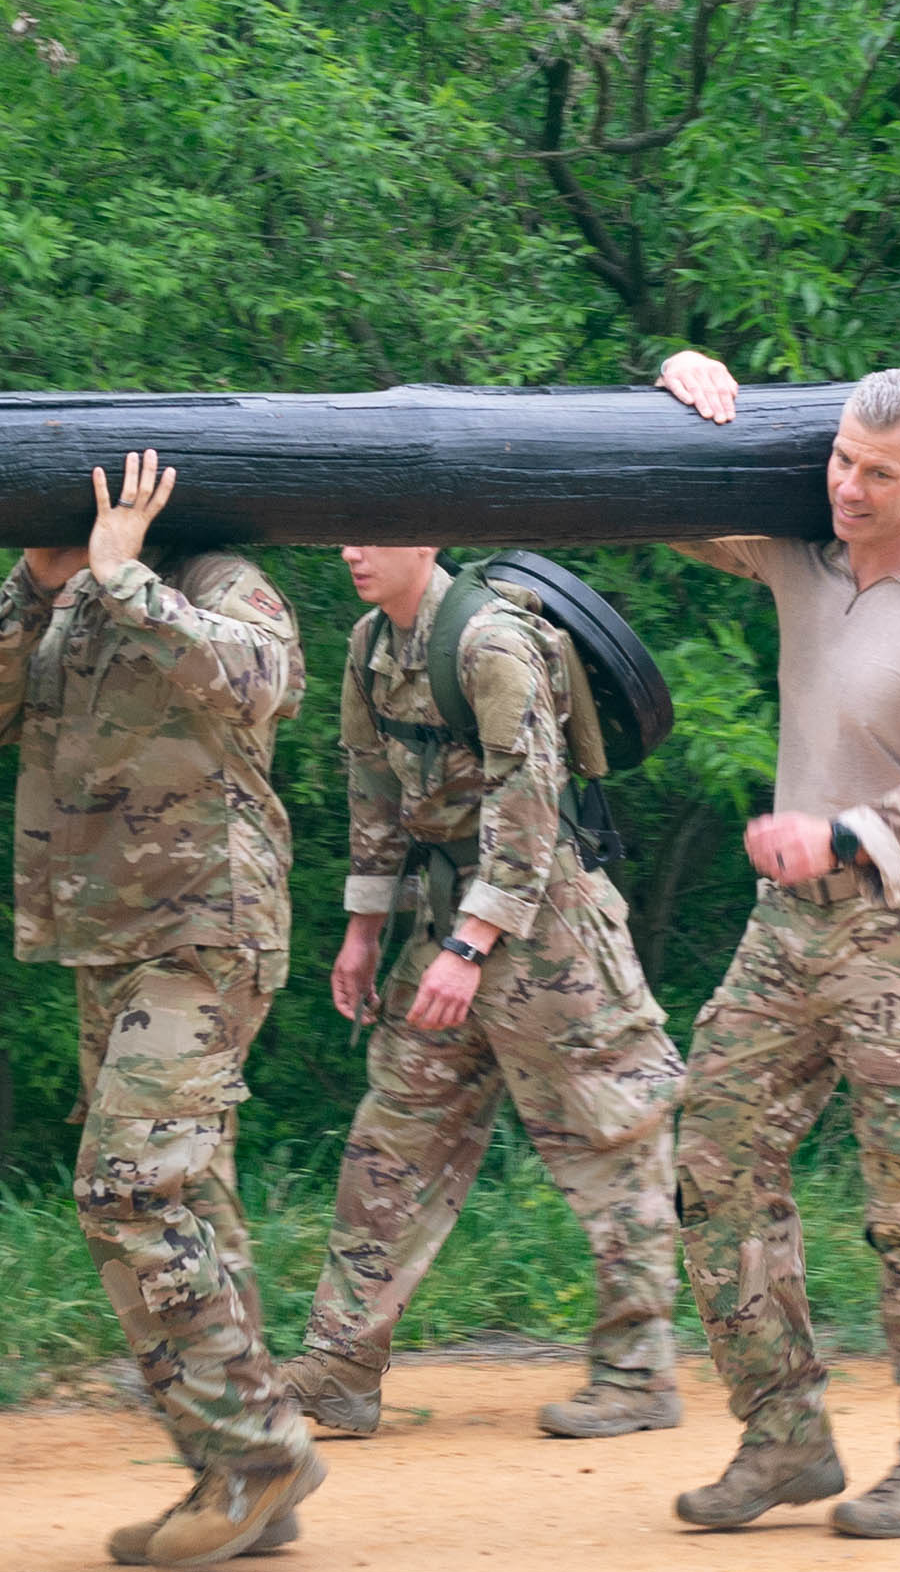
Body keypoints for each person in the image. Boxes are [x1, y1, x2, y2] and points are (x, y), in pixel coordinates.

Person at [651, 350, 900, 1540]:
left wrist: (845, 833)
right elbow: (659, 508)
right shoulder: (798, 555)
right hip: (788, 930)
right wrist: (679, 380)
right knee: (712, 1154)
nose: (847, 488)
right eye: (839, 461)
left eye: (877, 474)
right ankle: (784, 1433)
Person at [0, 450, 322, 1569]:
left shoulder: (218, 583)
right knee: (189, 1196)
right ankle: (236, 1473)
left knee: (128, 1188)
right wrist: (36, 581)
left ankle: (256, 1451)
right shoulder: (64, 602)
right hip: (107, 940)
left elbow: (259, 682)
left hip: (204, 928)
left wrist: (125, 579)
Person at [280, 546, 684, 1441]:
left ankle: (637, 1373)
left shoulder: (489, 641)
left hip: (549, 931)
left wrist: (471, 943)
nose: (351, 550)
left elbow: (529, 798)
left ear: (425, 539)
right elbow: (372, 788)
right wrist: (363, 929)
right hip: (445, 917)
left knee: (611, 1137)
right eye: (343, 533)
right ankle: (339, 1366)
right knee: (393, 1138)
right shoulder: (368, 645)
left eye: (372, 533)